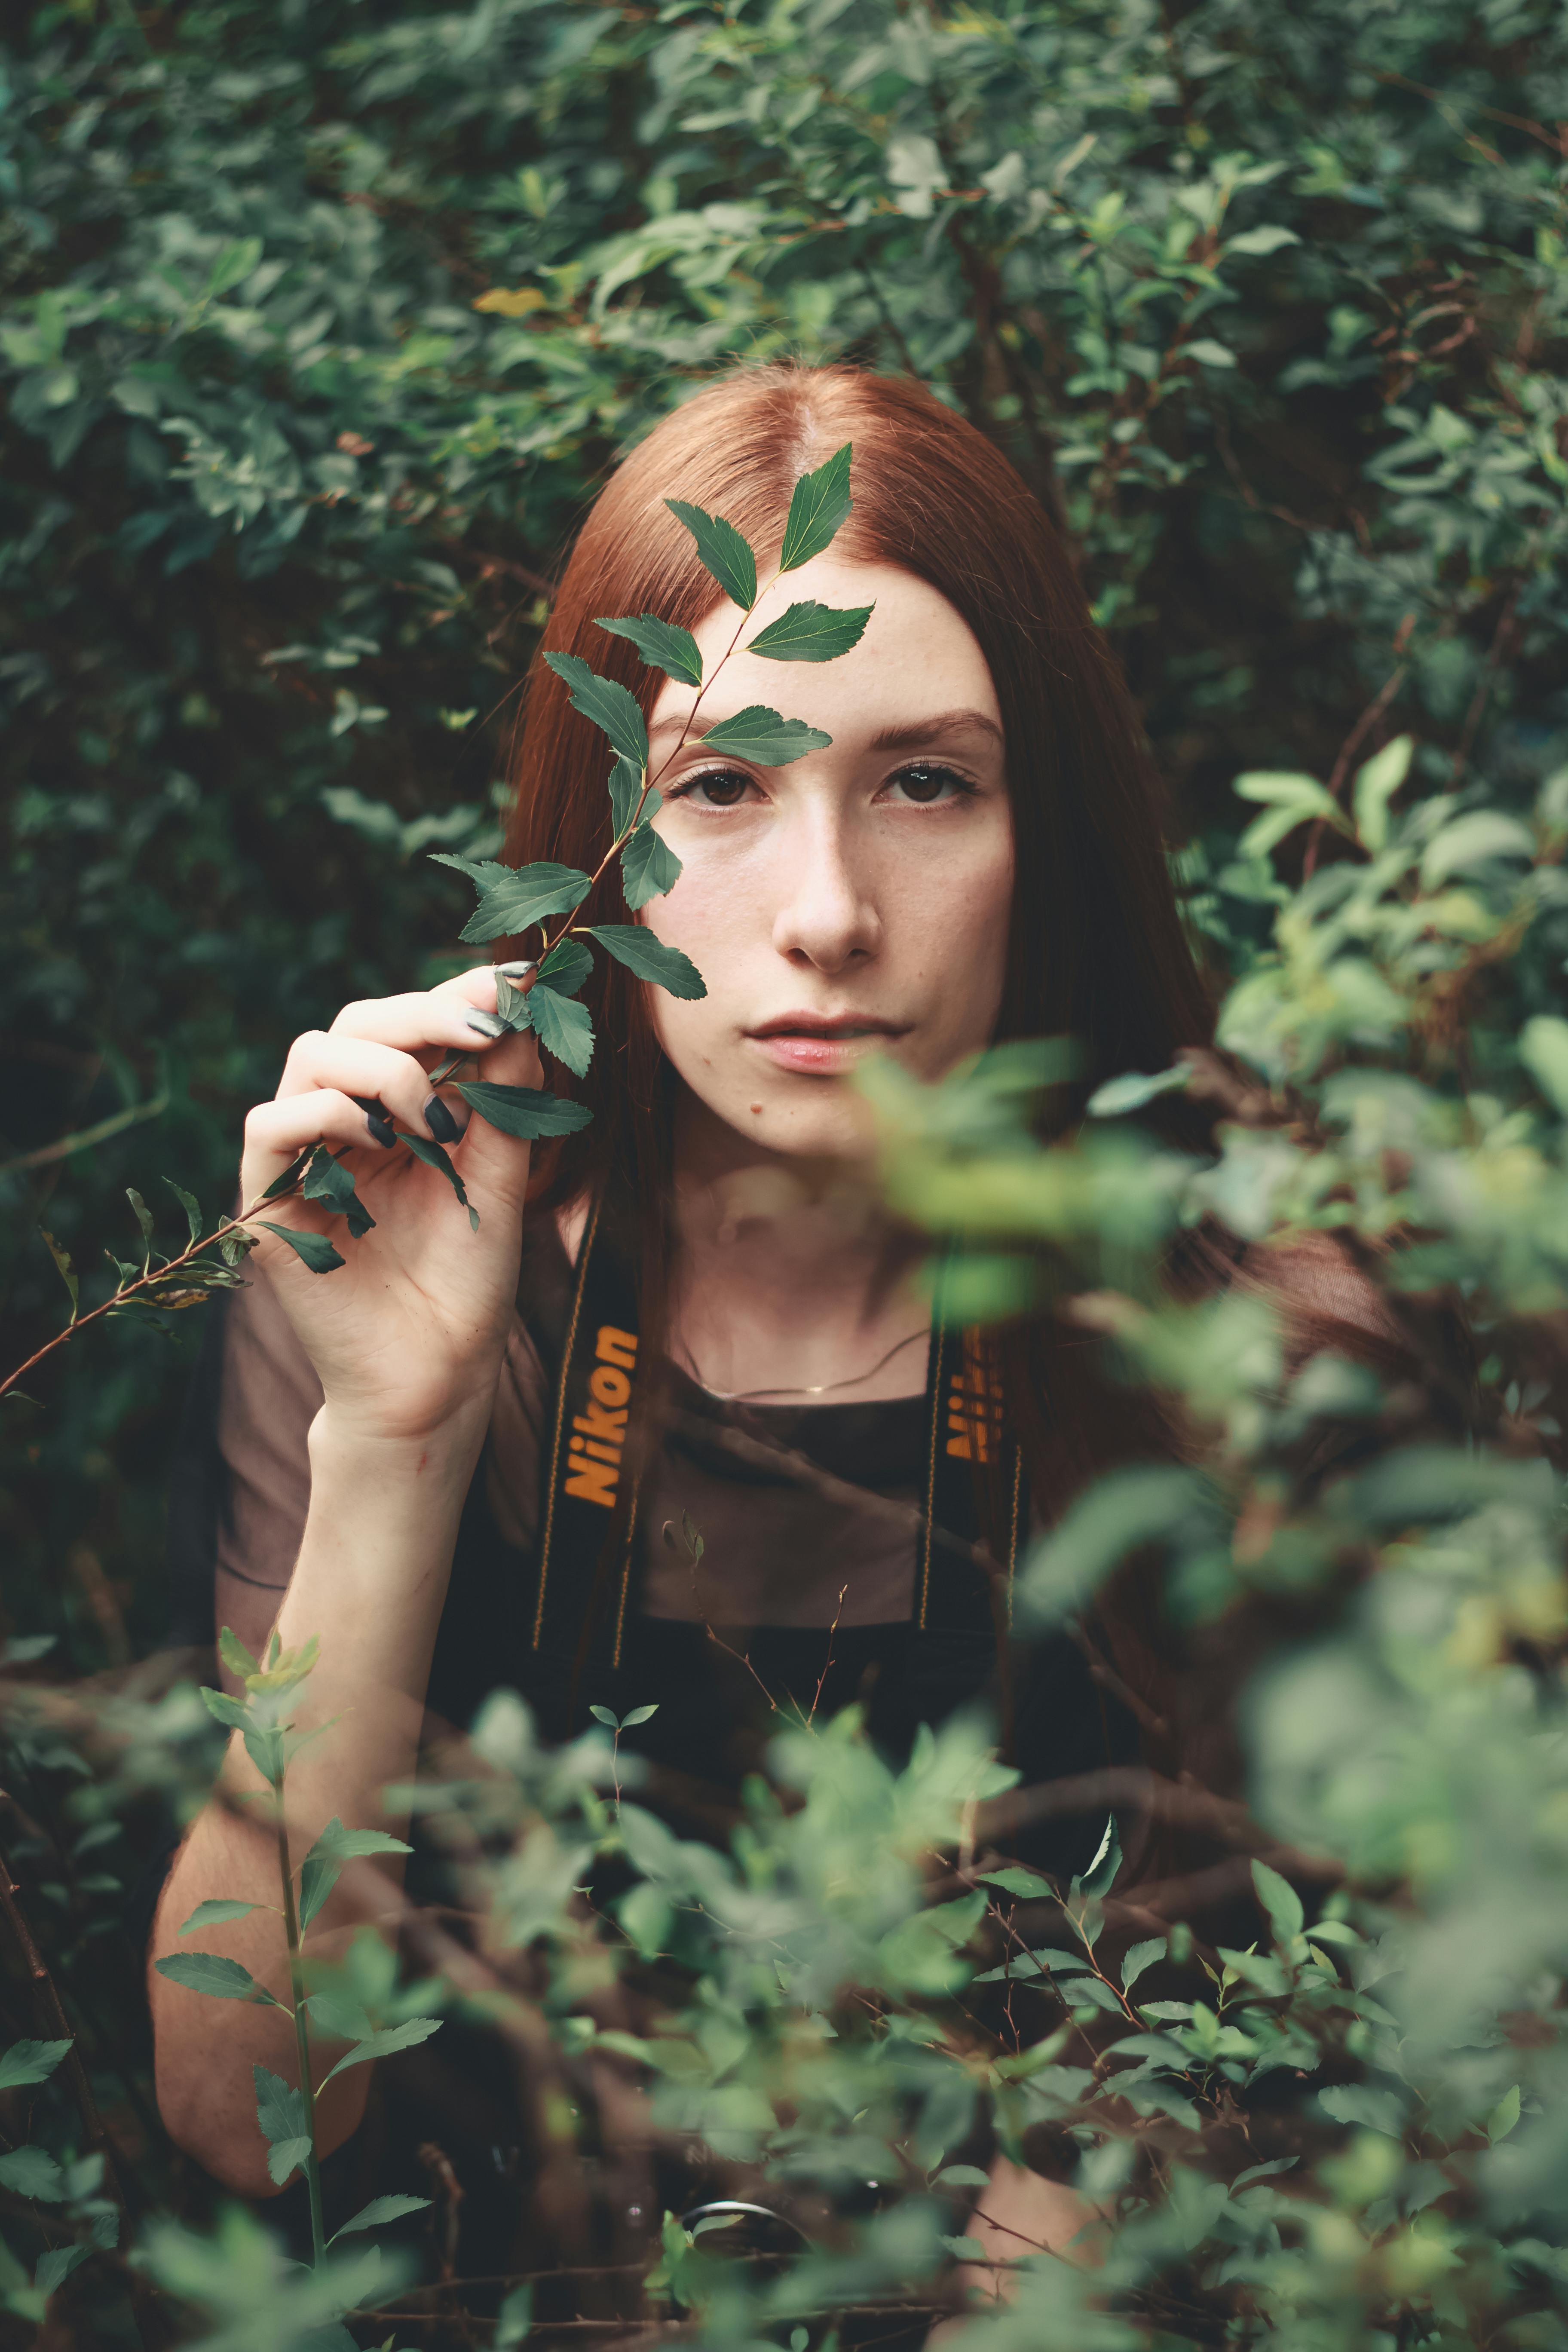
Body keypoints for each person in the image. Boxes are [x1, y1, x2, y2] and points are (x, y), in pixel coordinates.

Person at [147, 363, 1223, 2284]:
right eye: (718, 786)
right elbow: (249, 2121)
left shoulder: (1215, 1331)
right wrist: (391, 1441)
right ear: (591, 856)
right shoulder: (416, 1271)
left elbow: (1161, 2145)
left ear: (1036, 828)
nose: (826, 913)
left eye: (926, 781)